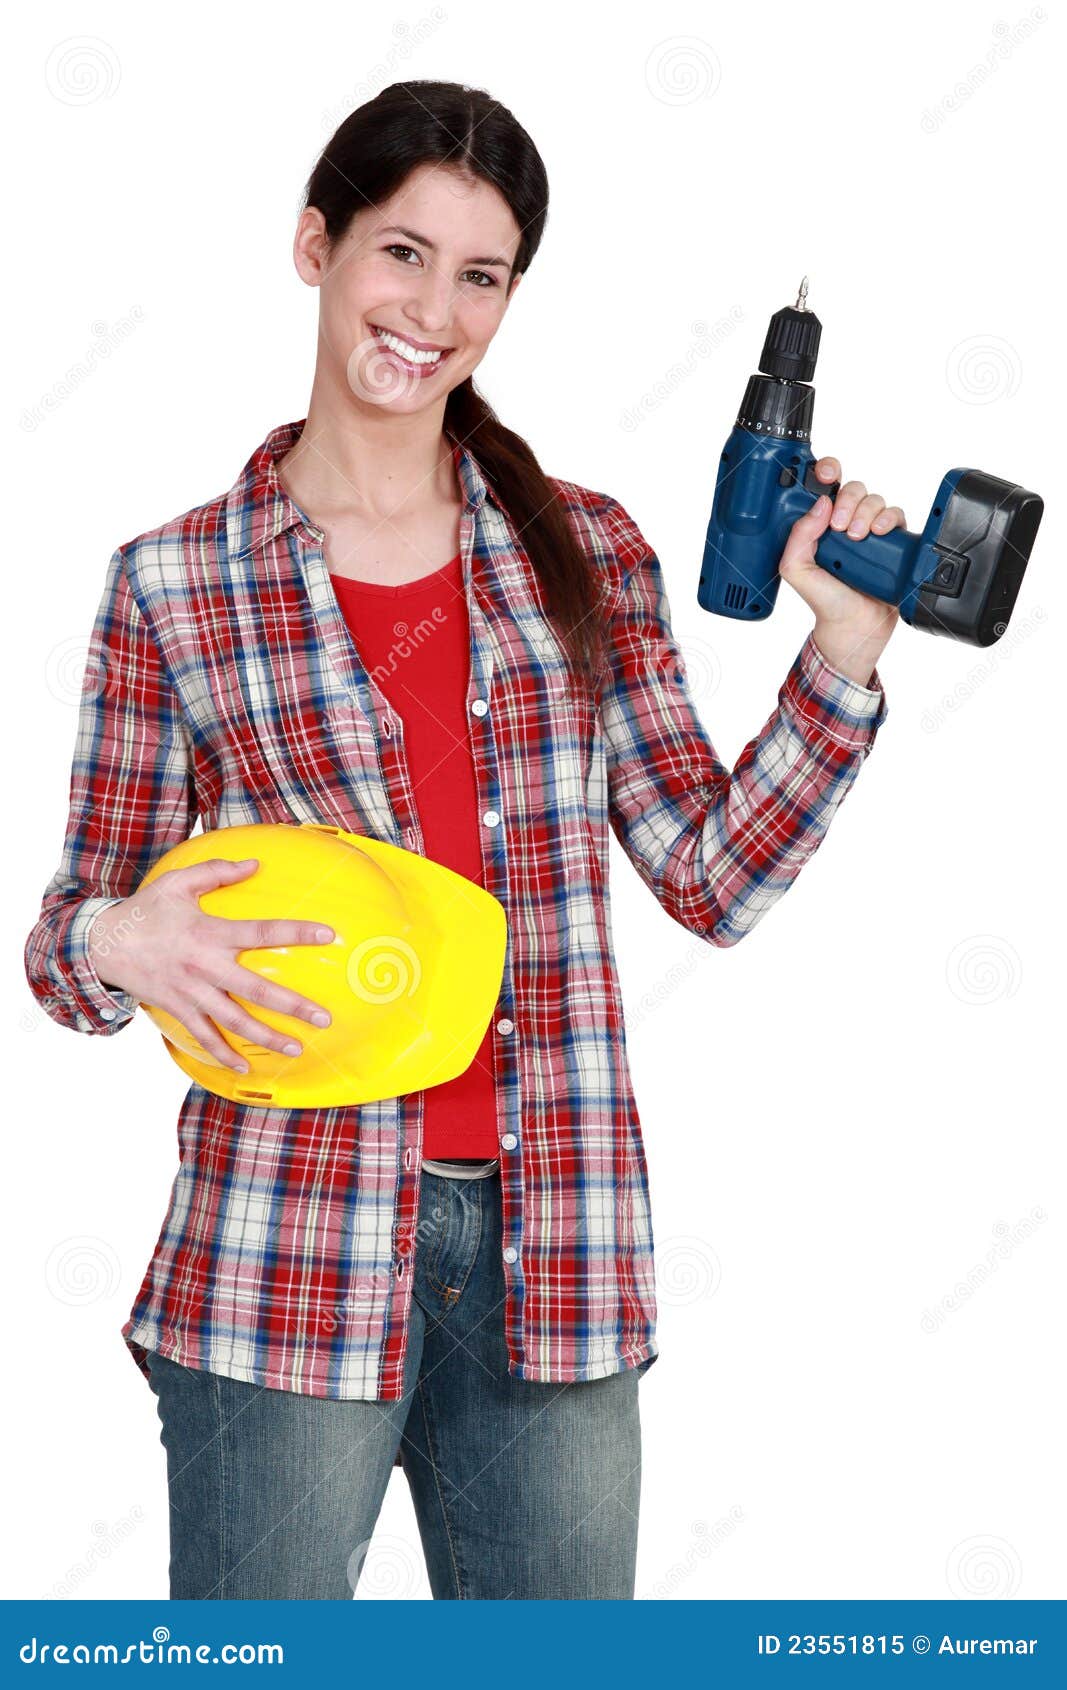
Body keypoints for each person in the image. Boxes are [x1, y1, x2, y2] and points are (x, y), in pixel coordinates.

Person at [23, 80, 903, 1601]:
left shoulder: (589, 547)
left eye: (480, 274)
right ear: (318, 246)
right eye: (402, 253)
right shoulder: (177, 584)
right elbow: (66, 944)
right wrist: (119, 935)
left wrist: (841, 658)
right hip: (277, 1259)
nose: (432, 308)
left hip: (552, 1253)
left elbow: (707, 873)